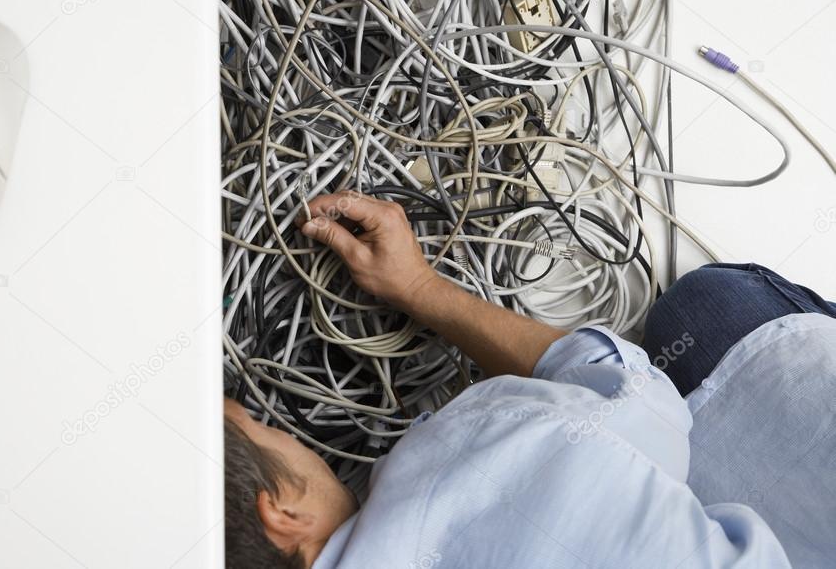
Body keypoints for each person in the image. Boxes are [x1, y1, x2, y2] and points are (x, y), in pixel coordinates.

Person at [224, 191, 836, 568]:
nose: (279, 428)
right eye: (257, 426)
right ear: (281, 514)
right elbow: (649, 405)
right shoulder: (468, 460)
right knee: (707, 309)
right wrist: (420, 289)